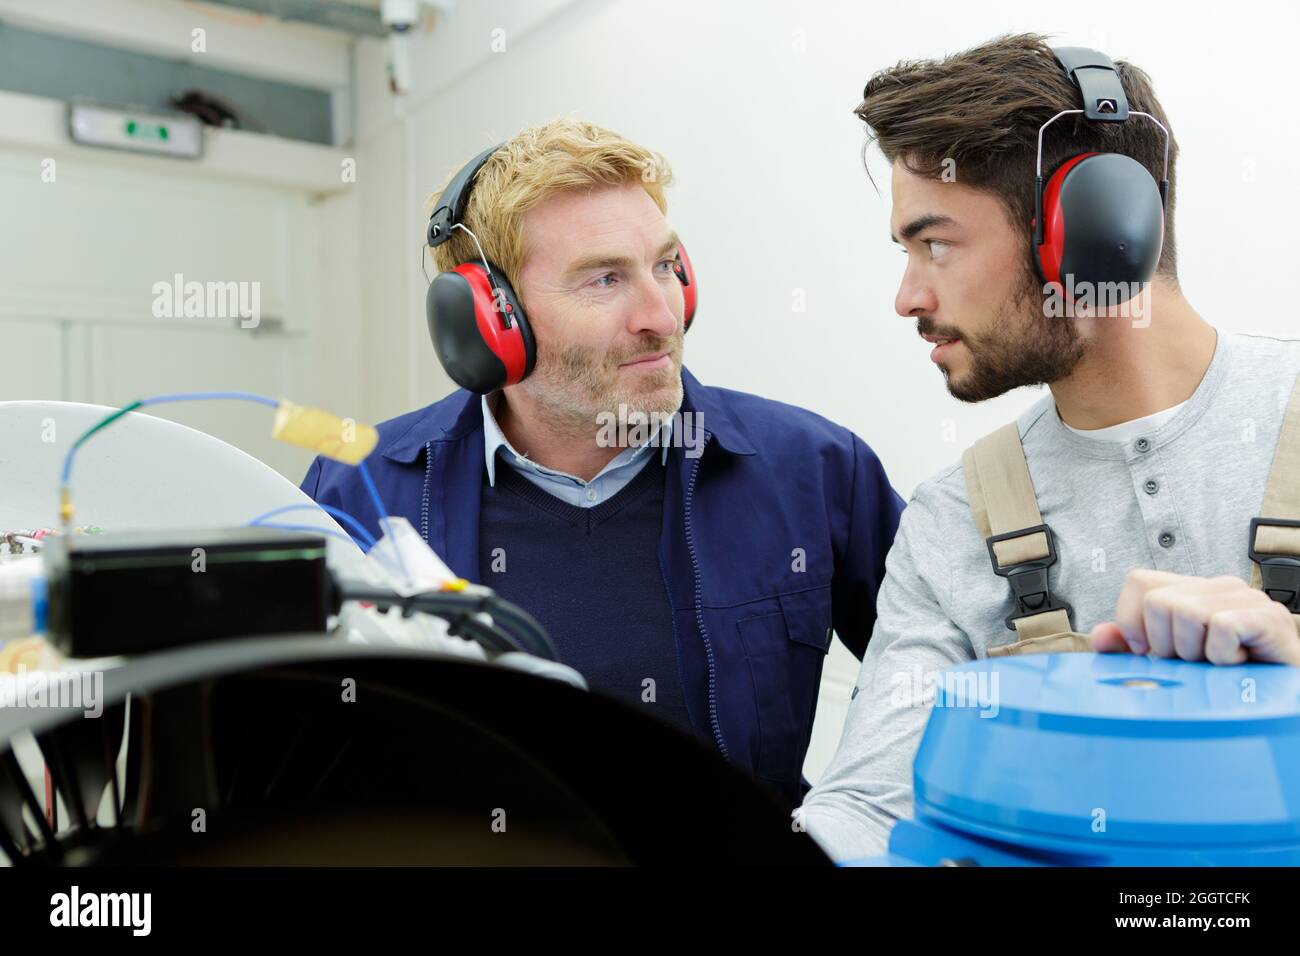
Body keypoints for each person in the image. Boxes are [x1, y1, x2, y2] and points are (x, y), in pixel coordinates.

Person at [797, 34, 1300, 860]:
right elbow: (870, 805)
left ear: (1091, 230)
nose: (907, 296)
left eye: (936, 243)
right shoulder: (952, 519)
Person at [303, 118, 904, 806]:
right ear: (490, 321)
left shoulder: (817, 470)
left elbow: (946, 684)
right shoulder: (356, 494)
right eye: (604, 280)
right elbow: (292, 743)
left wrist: (850, 821)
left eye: (665, 266)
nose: (662, 314)